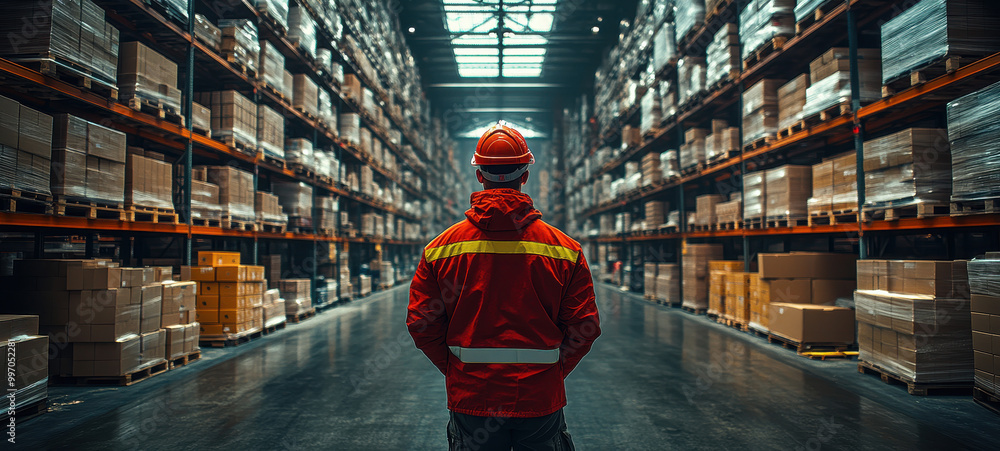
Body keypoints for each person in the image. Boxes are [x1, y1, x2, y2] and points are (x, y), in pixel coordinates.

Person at [407, 121, 601, 451]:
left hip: (473, 397)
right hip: (539, 397)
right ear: (525, 174)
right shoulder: (565, 249)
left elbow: (422, 324)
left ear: (479, 174)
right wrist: (551, 372)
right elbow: (585, 326)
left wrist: (457, 371)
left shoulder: (441, 249)